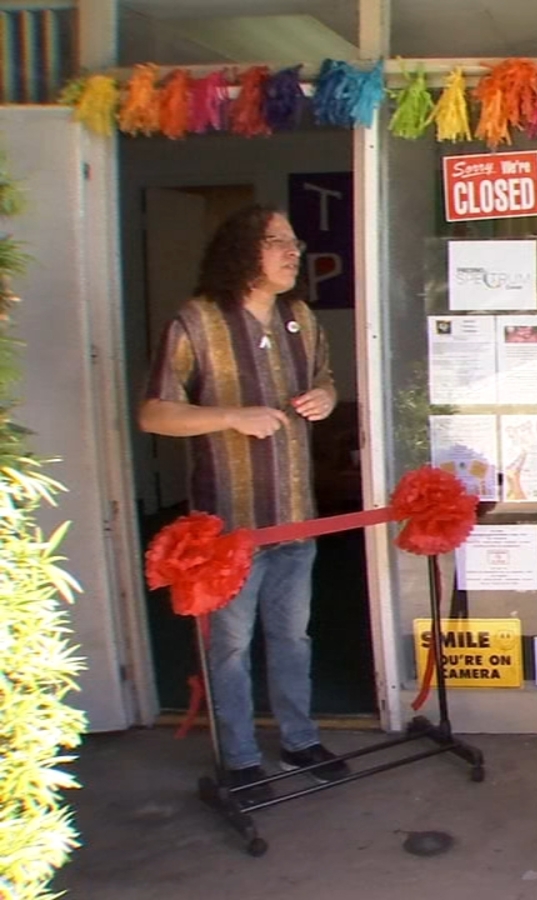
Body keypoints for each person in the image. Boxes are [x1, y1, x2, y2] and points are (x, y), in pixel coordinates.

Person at [139, 205, 345, 801]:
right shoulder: (196, 322)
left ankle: (300, 739)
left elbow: (328, 380)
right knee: (229, 644)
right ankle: (240, 758)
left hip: (295, 517)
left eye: (295, 242)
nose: (293, 252)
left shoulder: (301, 319)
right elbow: (154, 412)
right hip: (225, 527)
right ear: (241, 250)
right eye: (277, 241)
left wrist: (326, 399)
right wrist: (230, 416)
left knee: (293, 636)